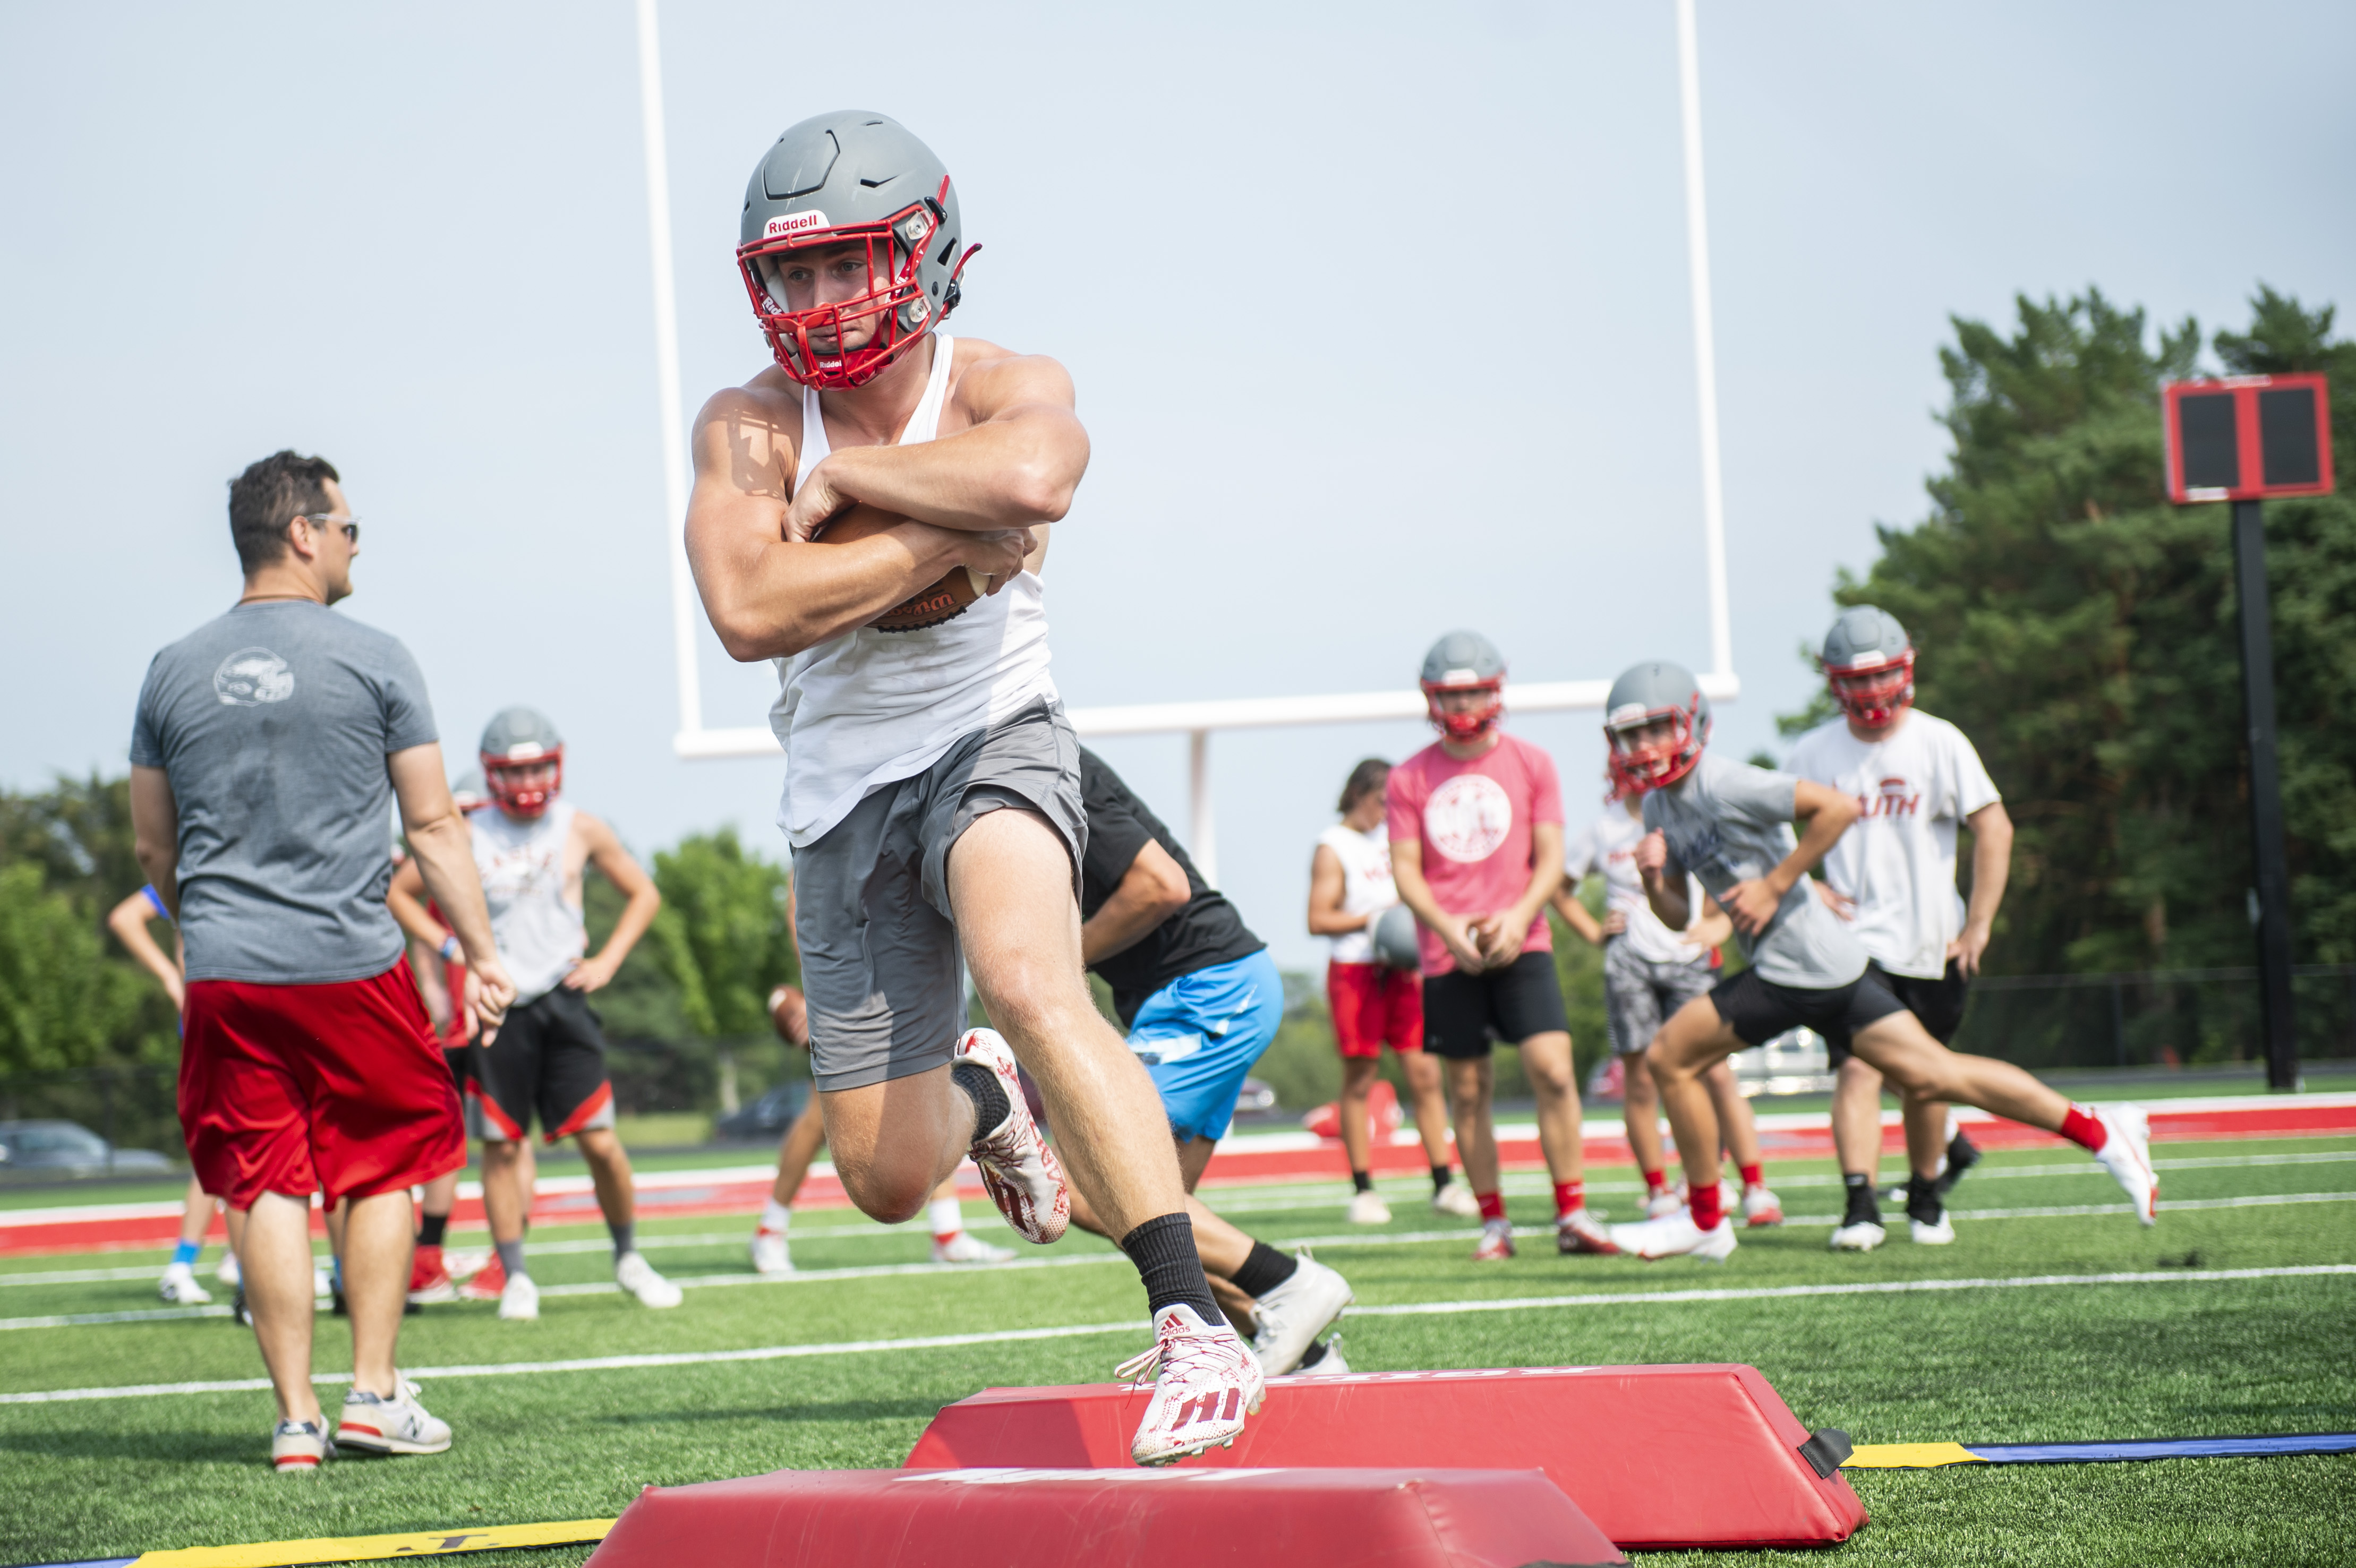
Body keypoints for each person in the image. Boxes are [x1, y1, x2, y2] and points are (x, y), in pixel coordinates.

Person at [684, 113, 1258, 1464]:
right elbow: (750, 608)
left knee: (1029, 976)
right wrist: (953, 532)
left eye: (847, 261)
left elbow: (1036, 473)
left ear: (925, 253)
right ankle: (989, 1103)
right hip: (840, 791)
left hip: (994, 730)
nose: (821, 298)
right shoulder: (746, 422)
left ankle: (1192, 1322)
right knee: (886, 1178)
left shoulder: (1005, 377)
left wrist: (852, 483)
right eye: (796, 271)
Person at [129, 450, 516, 1471]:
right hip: (350, 963)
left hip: (226, 972)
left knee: (261, 1181)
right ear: (303, 532)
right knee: (383, 1160)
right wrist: (481, 952)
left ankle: (296, 1419)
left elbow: (152, 848)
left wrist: (208, 927)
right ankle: (373, 1393)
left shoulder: (170, 666)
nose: (354, 545)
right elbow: (433, 824)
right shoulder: (377, 655)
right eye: (348, 527)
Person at [1593, 659, 2157, 1263]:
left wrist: (1777, 885)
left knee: (1671, 1057)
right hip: (1802, 968)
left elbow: (1837, 808)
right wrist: (1653, 878)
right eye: (1630, 735)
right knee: (1935, 1075)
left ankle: (1706, 1220)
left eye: (1656, 728)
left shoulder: (1726, 782)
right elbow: (1678, 915)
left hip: (1802, 965)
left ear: (1692, 722)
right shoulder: (1660, 808)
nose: (1643, 746)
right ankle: (2101, 1129)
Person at [1064, 748, 1354, 1376]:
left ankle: (1290, 1282)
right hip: (1196, 994)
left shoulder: (1041, 761)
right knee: (1151, 1221)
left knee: (1092, 1186)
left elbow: (1158, 886)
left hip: (1208, 992)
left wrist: (1056, 962)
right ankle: (1302, 1357)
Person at [388, 708, 681, 1321]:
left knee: (601, 1142)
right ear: (492, 773)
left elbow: (643, 892)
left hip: (563, 1000)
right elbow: (399, 893)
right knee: (500, 1145)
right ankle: (516, 1275)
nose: (528, 781)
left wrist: (607, 961)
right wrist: (451, 947)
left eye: (537, 767)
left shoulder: (580, 826)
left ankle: (628, 1256)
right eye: (515, 770)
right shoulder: (467, 831)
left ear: (557, 763)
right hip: (499, 1006)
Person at [1788, 606, 2014, 1250]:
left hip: (1930, 939)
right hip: (1852, 944)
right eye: (1857, 679)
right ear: (1835, 683)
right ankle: (1859, 1204)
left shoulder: (1939, 741)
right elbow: (1764, 827)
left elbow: (1993, 827)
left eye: (1880, 674)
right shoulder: (1811, 751)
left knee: (1926, 1077)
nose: (1870, 690)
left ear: (1905, 669)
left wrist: (1978, 925)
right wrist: (1804, 886)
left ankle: (1924, 1192)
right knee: (1857, 1070)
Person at [1386, 632, 1614, 1262]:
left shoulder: (1532, 762)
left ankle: (1572, 1211)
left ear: (1496, 690)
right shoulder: (1407, 775)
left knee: (1554, 1071)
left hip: (1523, 938)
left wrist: (1517, 918)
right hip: (1446, 951)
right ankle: (1494, 1222)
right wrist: (1446, 928)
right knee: (1466, 1090)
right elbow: (1405, 870)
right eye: (1449, 693)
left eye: (1473, 691)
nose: (1461, 704)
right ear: (1431, 697)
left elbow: (1550, 858)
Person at [750, 895, 1014, 1272]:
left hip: (897, 970)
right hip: (852, 979)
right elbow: (801, 896)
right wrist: (817, 988)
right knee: (820, 1115)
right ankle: (770, 1230)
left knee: (930, 1090)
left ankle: (948, 1233)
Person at [1556, 790, 1782, 1227]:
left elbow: (1730, 874)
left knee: (1716, 1073)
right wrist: (1594, 930)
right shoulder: (1603, 827)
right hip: (1630, 962)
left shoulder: (1690, 813)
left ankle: (1754, 1186)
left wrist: (1718, 922)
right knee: (1640, 1079)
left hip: (1689, 956)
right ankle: (1659, 1191)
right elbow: (1561, 888)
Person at [1308, 758, 1469, 1224]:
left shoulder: (1393, 839)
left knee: (1425, 1073)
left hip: (1402, 970)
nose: (1388, 810)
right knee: (1360, 1077)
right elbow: (1318, 917)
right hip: (1356, 971)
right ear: (1359, 793)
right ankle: (1364, 1190)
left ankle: (1444, 1182)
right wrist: (1375, 920)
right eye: (1383, 801)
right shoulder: (1333, 845)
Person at [106, 884, 238, 1305]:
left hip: (228, 1010)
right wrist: (169, 976)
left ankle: (220, 1258)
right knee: (234, 1143)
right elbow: (126, 917)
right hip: (223, 1015)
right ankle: (208, 1263)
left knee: (229, 1146)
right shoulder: (193, 865)